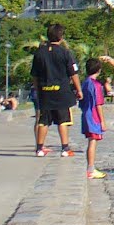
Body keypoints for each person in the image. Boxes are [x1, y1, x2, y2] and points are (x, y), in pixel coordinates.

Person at [29, 23, 82, 157]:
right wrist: (79, 90)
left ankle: (39, 149)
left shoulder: (39, 53)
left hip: (45, 91)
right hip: (61, 92)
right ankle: (65, 148)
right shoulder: (65, 53)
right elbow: (73, 73)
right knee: (63, 120)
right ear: (61, 37)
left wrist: (38, 89)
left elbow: (34, 75)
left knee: (43, 120)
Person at [79, 57, 107, 179]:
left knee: (91, 140)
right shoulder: (96, 85)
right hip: (94, 116)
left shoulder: (85, 83)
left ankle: (90, 167)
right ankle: (90, 168)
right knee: (93, 141)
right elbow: (98, 104)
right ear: (99, 70)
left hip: (85, 114)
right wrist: (102, 121)